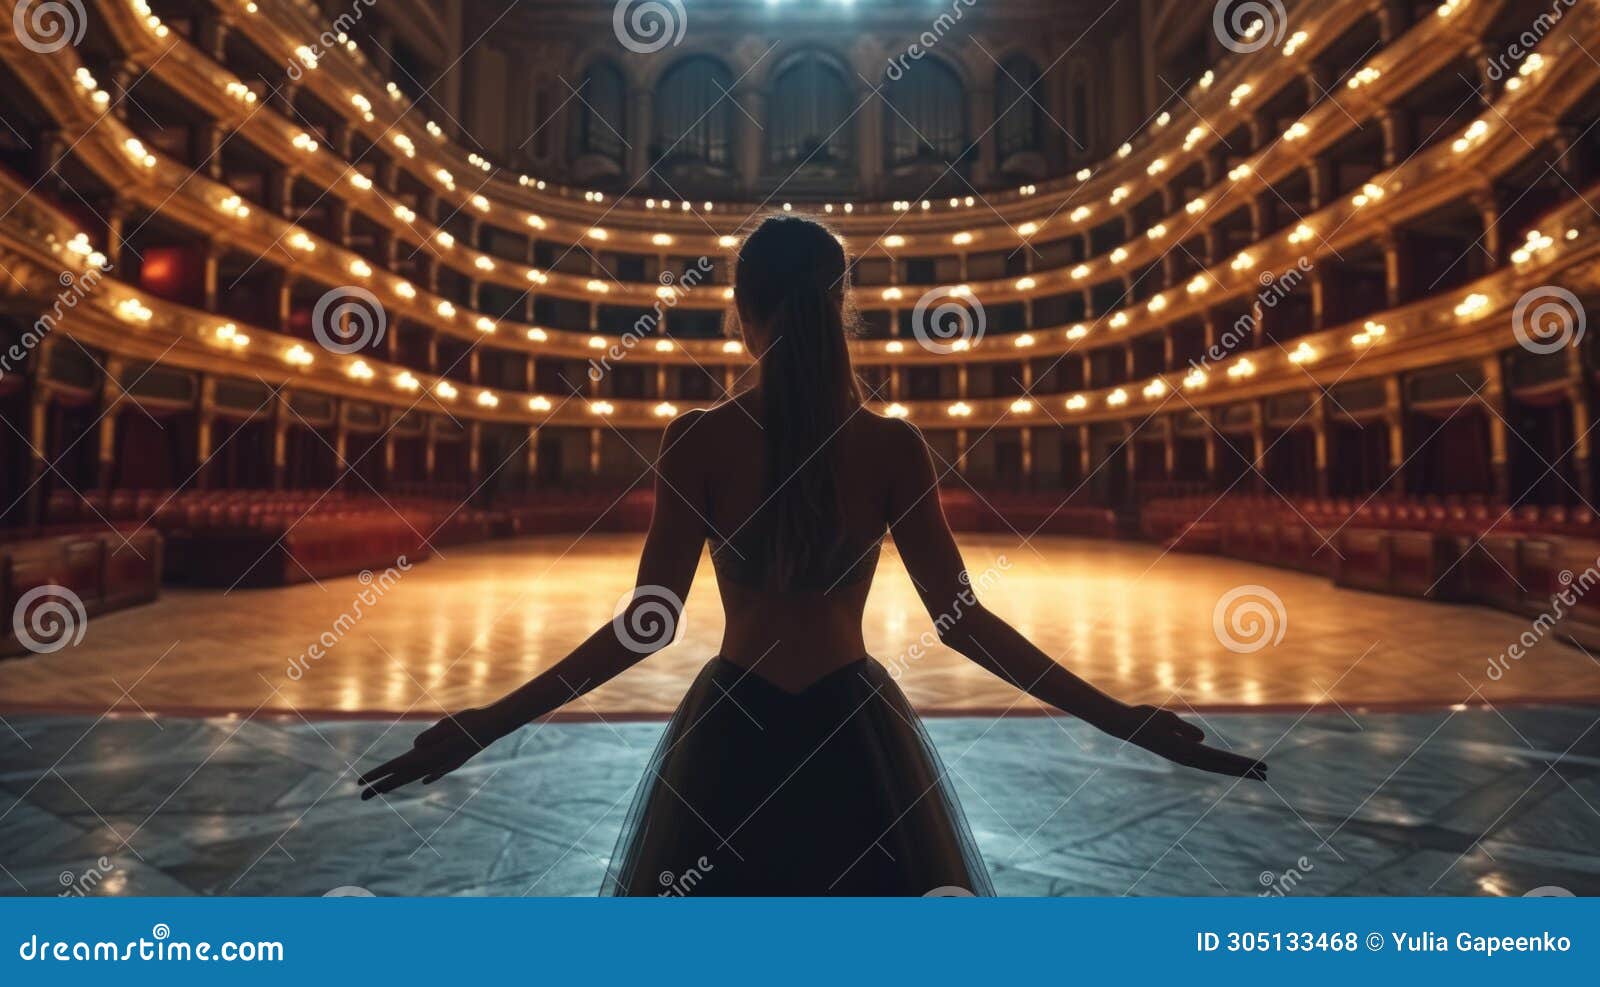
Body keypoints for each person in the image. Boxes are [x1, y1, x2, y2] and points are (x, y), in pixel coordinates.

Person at [358, 215, 1267, 896]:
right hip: (853, 730)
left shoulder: (698, 438)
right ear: (840, 307)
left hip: (730, 731)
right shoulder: (891, 444)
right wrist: (1119, 717)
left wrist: (490, 721)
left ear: (744, 311)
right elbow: (964, 624)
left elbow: (645, 628)